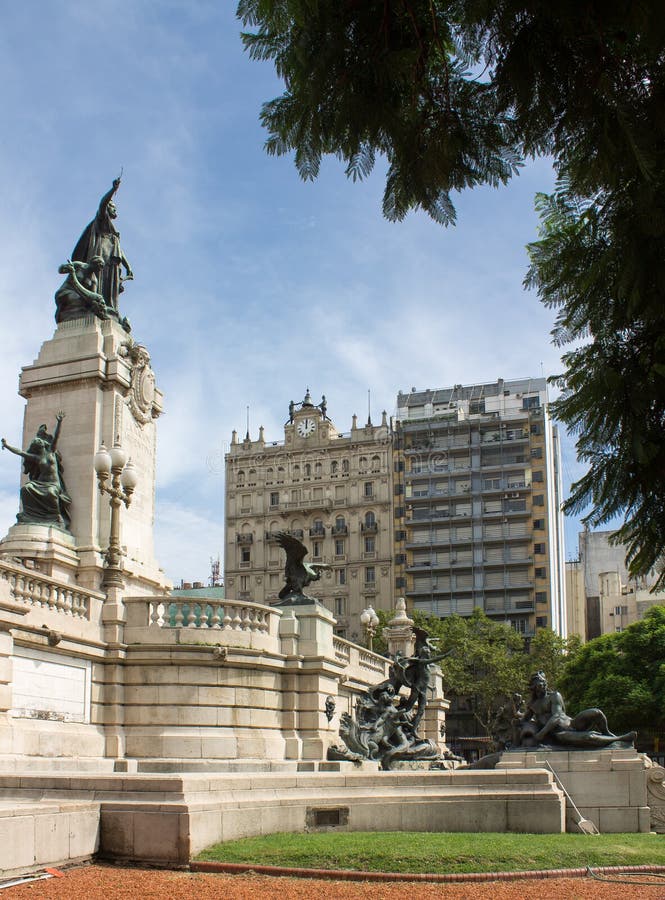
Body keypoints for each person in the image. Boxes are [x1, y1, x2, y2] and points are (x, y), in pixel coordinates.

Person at [519, 671, 636, 748]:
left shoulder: (554, 696)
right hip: (560, 733)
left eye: (544, 683)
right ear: (534, 688)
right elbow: (524, 720)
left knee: (596, 713)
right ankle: (621, 738)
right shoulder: (532, 705)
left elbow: (557, 716)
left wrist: (541, 733)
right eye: (540, 684)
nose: (544, 686)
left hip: (573, 723)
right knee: (588, 737)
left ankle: (607, 733)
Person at [71, 178, 133, 314]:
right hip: (101, 256)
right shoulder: (102, 220)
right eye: (113, 207)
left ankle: (111, 309)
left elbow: (118, 249)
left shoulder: (113, 232)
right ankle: (97, 307)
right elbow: (102, 204)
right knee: (98, 284)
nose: (115, 210)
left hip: (113, 260)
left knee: (111, 287)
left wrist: (127, 266)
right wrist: (113, 190)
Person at [1, 413, 71, 529]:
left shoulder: (51, 452)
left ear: (43, 445)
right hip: (40, 483)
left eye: (39, 443)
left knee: (51, 492)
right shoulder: (36, 458)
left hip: (53, 484)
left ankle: (56, 517)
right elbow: (20, 452)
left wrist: (59, 422)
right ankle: (29, 515)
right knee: (26, 488)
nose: (38, 444)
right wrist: (7, 445)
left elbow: (56, 436)